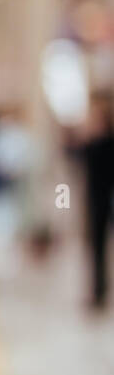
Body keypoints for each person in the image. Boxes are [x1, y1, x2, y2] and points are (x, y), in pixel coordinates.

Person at [64, 91, 114, 308]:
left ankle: (99, 292)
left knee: (98, 250)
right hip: (98, 203)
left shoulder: (99, 144)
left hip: (102, 203)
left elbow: (73, 153)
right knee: (97, 251)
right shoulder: (95, 143)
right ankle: (99, 291)